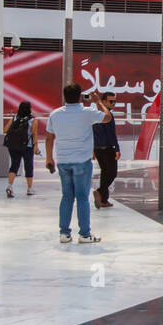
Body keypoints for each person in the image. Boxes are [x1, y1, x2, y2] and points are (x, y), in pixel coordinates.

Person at [45, 85, 111, 244]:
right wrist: (97, 102)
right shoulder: (87, 112)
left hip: (63, 161)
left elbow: (49, 137)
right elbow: (107, 117)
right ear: (81, 96)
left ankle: (64, 233)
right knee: (82, 197)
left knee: (67, 197)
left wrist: (49, 158)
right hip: (82, 161)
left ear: (64, 96)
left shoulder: (55, 114)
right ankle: (85, 234)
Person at [3, 99, 39, 197]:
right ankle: (30, 189)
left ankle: (9, 186)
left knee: (14, 165)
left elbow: (5, 129)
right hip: (27, 146)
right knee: (28, 166)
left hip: (13, 146)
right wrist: (36, 146)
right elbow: (34, 134)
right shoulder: (33, 120)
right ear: (29, 109)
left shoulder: (14, 118)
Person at [92, 91, 120, 209]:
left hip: (98, 149)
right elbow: (111, 134)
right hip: (107, 148)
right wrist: (116, 148)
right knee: (112, 173)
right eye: (110, 101)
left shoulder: (95, 114)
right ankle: (99, 192)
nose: (113, 104)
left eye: (114, 101)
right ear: (103, 102)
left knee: (105, 172)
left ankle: (104, 199)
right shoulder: (107, 115)